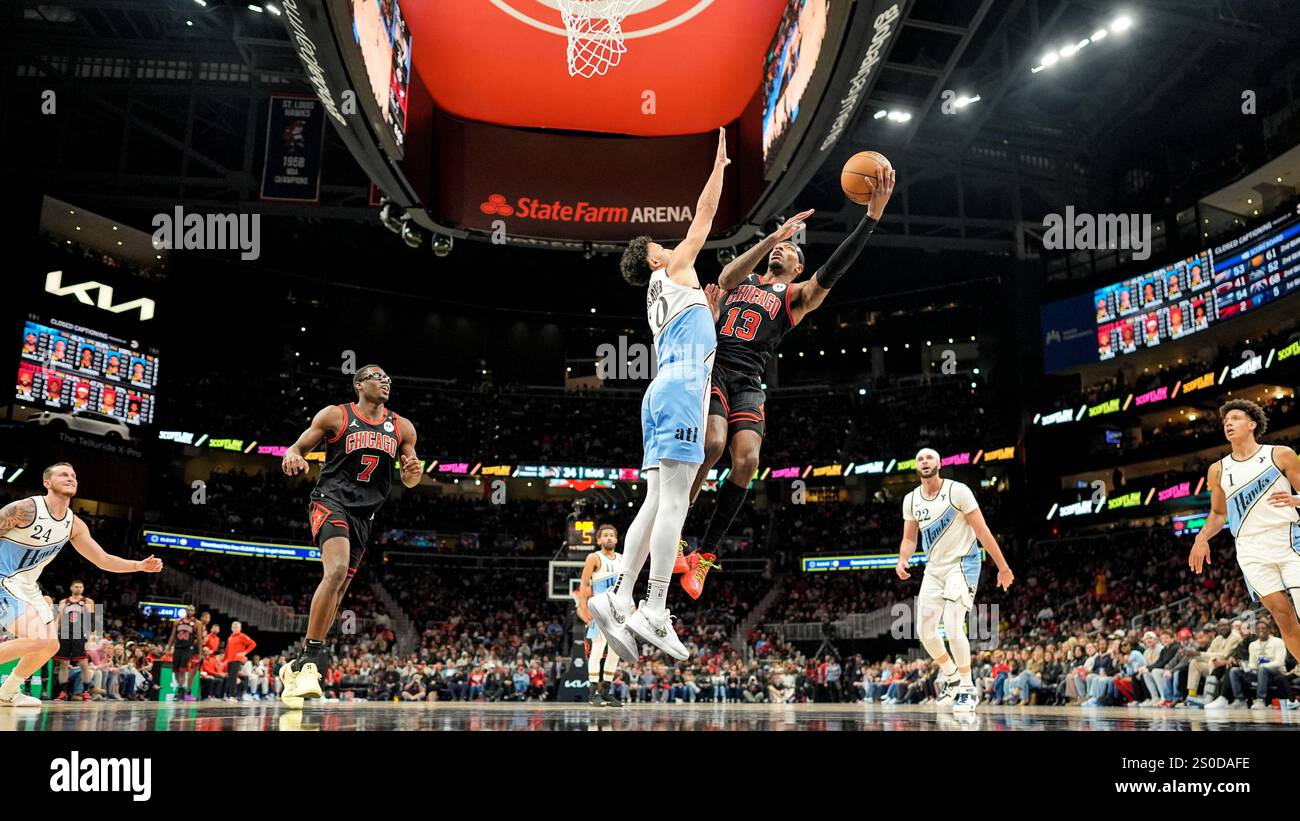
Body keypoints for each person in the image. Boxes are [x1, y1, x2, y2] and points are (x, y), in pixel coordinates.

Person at [682, 165, 896, 601]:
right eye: (780, 250)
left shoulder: (797, 296)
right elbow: (723, 279)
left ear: (799, 268)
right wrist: (773, 238)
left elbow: (834, 270)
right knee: (712, 444)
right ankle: (675, 530)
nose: (782, 253)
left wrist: (870, 218)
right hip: (716, 366)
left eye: (790, 253)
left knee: (746, 461)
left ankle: (704, 554)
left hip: (749, 380)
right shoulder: (740, 280)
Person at [588, 129, 728, 664]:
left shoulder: (657, 298)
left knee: (653, 500)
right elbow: (705, 217)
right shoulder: (673, 269)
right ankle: (655, 606)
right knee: (673, 501)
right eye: (658, 247)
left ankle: (619, 596)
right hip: (681, 394)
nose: (669, 247)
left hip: (658, 394)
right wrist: (718, 167)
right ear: (652, 260)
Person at [278, 365, 422, 709]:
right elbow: (296, 448)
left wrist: (413, 474)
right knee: (337, 570)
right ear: (359, 384)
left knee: (339, 589)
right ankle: (312, 659)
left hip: (364, 516)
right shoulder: (335, 415)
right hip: (330, 502)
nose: (386, 380)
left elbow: (412, 478)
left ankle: (295, 668)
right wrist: (294, 457)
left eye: (388, 377)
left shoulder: (402, 427)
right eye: (377, 376)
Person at [0, 463, 162, 707]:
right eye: (63, 474)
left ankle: (8, 692)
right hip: (3, 579)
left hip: (28, 585)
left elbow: (103, 560)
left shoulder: (74, 525)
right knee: (39, 638)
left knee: (51, 645)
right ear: (47, 482)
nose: (70, 478)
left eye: (73, 475)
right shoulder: (25, 509)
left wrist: (138, 566)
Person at [896, 448, 1014, 713]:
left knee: (951, 625)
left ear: (939, 463)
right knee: (925, 632)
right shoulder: (911, 499)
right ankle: (950, 676)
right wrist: (902, 559)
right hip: (934, 568)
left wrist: (1003, 568)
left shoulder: (958, 491)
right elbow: (909, 538)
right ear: (916, 466)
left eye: (929, 458)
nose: (925, 461)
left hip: (962, 564)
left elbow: (982, 530)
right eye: (920, 459)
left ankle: (967, 688)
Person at [1190, 399, 1300, 673]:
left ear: (1252, 425)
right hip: (1250, 549)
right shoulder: (1218, 469)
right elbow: (1218, 514)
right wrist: (1201, 537)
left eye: (1236, 418)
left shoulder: (1281, 454)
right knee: (1283, 618)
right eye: (1226, 420)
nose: (1229, 423)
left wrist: (1296, 501)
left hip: (1287, 539)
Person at [574, 523, 622, 706]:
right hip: (599, 610)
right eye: (605, 535)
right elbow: (585, 584)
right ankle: (593, 693)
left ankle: (606, 692)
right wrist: (584, 608)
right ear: (599, 540)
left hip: (618, 611)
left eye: (612, 535)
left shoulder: (623, 559)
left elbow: (626, 585)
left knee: (615, 651)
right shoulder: (594, 557)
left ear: (616, 540)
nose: (609, 537)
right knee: (597, 649)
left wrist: (631, 605)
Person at [53, 580, 95, 701]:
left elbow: (92, 620)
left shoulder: (88, 601)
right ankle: (63, 692)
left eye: (81, 587)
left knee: (83, 663)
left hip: (79, 634)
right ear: (71, 588)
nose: (78, 589)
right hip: (65, 635)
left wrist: (91, 635)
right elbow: (58, 620)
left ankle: (86, 691)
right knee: (64, 664)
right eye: (76, 587)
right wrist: (55, 634)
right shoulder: (63, 602)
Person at [164, 606, 204, 702]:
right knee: (176, 671)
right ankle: (181, 689)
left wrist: (200, 653)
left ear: (194, 612)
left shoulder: (197, 623)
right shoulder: (177, 621)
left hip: (188, 649)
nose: (190, 611)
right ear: (186, 611)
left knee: (182, 671)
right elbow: (173, 635)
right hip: (177, 648)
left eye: (192, 610)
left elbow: (199, 639)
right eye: (189, 610)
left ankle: (180, 692)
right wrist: (168, 647)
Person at [223, 621, 256, 702]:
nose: (235, 628)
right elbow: (227, 649)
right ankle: (229, 695)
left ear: (240, 628)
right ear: (231, 628)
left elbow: (253, 644)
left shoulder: (242, 636)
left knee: (233, 678)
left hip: (237, 660)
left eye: (237, 627)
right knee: (230, 678)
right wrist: (223, 660)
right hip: (229, 660)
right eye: (234, 627)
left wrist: (244, 652)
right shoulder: (230, 637)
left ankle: (233, 696)